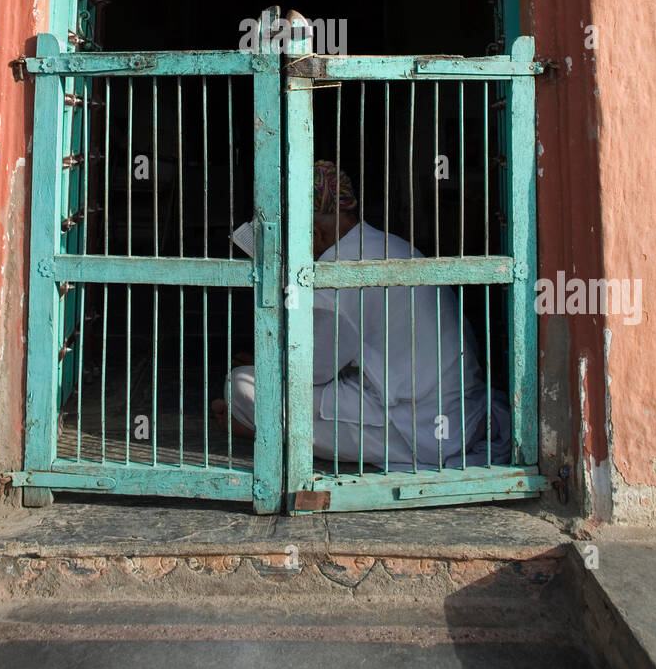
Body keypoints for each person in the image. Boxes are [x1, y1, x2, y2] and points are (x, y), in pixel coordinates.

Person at [213, 161, 512, 471]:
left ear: (315, 235)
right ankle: (271, 430)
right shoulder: (388, 244)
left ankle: (261, 431)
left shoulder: (335, 271)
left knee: (243, 385)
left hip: (415, 427)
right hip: (456, 411)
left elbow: (311, 372)